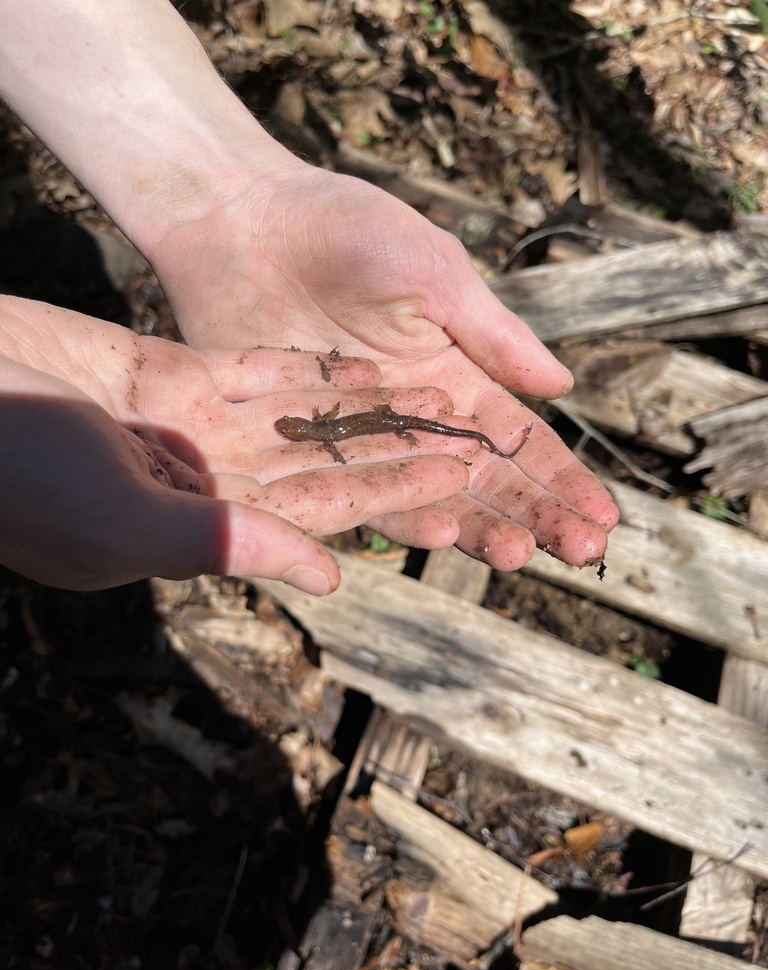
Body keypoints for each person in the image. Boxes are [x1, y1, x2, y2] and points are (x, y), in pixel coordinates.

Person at [0, 0, 618, 593]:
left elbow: (337, 429)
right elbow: (332, 430)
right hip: (383, 421)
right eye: (298, 429)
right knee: (416, 430)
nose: (300, 429)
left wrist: (238, 199)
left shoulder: (323, 431)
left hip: (391, 419)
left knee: (416, 426)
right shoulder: (319, 431)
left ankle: (468, 441)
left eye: (298, 428)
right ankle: (468, 441)